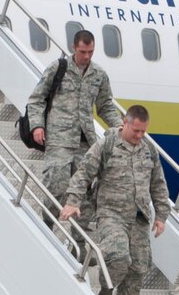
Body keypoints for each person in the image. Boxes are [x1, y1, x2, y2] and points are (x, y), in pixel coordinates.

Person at [60, 105, 169, 295]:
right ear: (124, 122)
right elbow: (84, 173)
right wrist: (72, 201)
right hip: (111, 214)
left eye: (143, 132)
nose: (139, 136)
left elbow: (158, 184)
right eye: (136, 131)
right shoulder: (107, 145)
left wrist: (161, 216)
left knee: (139, 267)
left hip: (138, 218)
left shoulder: (149, 149)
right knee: (119, 258)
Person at [26, 29, 124, 204]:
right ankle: (48, 224)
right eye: (83, 52)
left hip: (85, 142)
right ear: (73, 48)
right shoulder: (58, 68)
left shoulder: (99, 75)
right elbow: (37, 98)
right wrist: (37, 126)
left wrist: (118, 126)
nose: (87, 56)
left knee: (83, 193)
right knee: (56, 188)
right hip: (59, 139)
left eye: (90, 52)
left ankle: (78, 231)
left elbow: (105, 106)